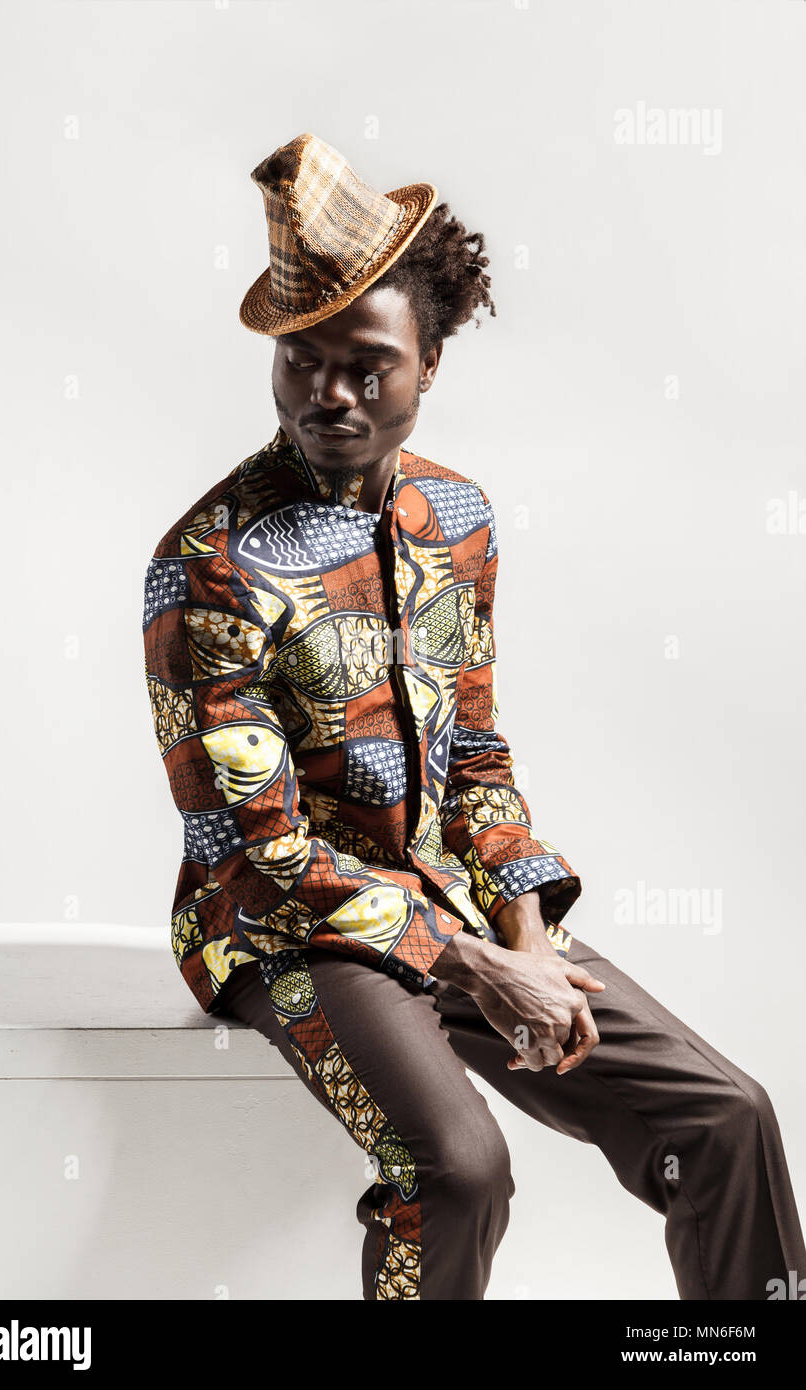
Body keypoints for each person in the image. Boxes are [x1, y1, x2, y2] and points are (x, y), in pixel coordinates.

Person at [142, 132, 805, 1300]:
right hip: (277, 928)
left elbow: (478, 759)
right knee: (453, 1169)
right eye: (301, 361)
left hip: (452, 900)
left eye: (366, 362)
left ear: (429, 362)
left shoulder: (459, 518)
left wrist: (530, 947)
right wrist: (476, 966)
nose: (330, 394)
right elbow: (251, 847)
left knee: (727, 1117)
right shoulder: (207, 562)